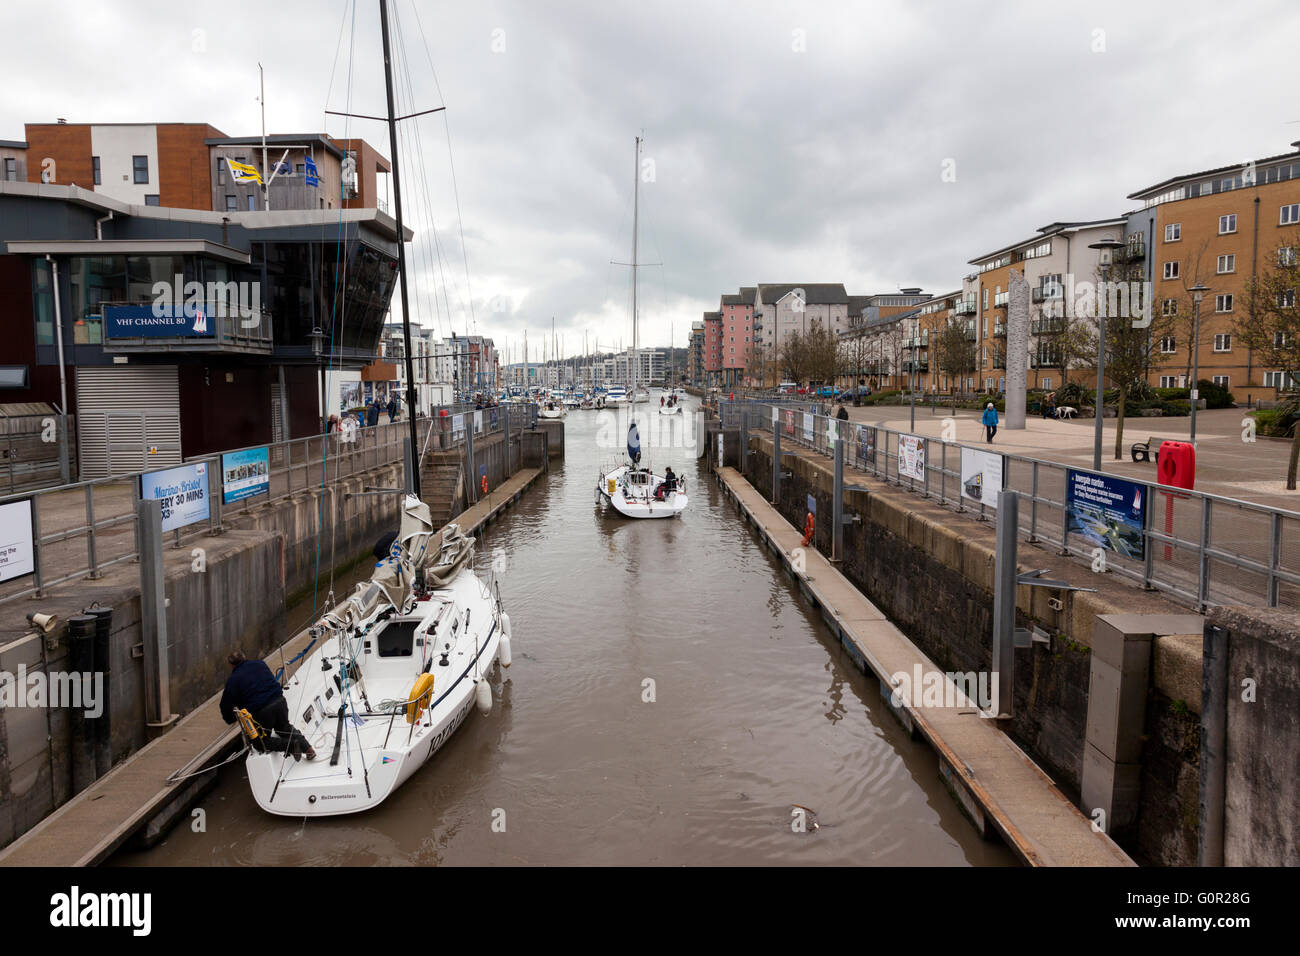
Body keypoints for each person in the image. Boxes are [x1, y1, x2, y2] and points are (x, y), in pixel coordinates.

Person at [220, 650, 316, 760]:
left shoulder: (233, 680)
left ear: (231, 666)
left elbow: (225, 705)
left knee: (260, 742)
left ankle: (291, 745)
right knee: (284, 727)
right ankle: (308, 749)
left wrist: (230, 719)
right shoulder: (260, 664)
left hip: (262, 711)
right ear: (244, 657)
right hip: (280, 702)